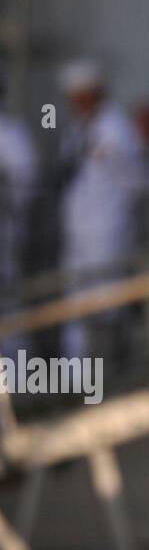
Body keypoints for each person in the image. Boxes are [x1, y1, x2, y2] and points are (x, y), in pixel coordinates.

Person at [54, 59, 144, 359]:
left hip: (107, 230)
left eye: (84, 96)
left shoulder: (117, 128)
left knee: (107, 303)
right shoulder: (74, 130)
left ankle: (108, 371)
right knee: (75, 302)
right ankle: (76, 375)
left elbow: (136, 180)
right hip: (78, 230)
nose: (78, 103)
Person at [0, 74, 37, 351]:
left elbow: (26, 188)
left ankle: (17, 376)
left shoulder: (10, 135)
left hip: (4, 240)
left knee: (9, 315)